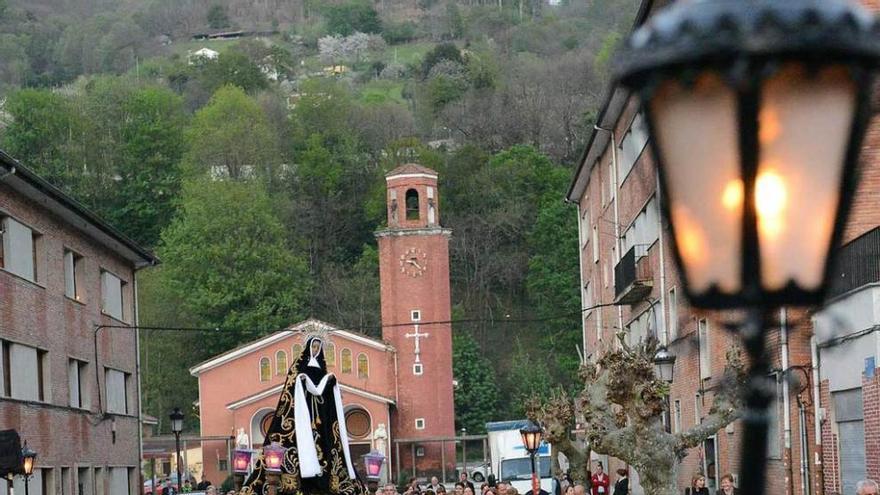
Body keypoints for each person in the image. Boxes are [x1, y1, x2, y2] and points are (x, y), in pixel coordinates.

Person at [240, 336, 368, 495]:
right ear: (308, 347)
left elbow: (326, 393)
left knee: (328, 448)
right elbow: (290, 388)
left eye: (318, 347)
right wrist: (300, 381)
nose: (315, 350)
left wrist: (331, 382)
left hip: (321, 416)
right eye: (313, 346)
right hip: (302, 414)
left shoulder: (323, 369)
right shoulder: (298, 366)